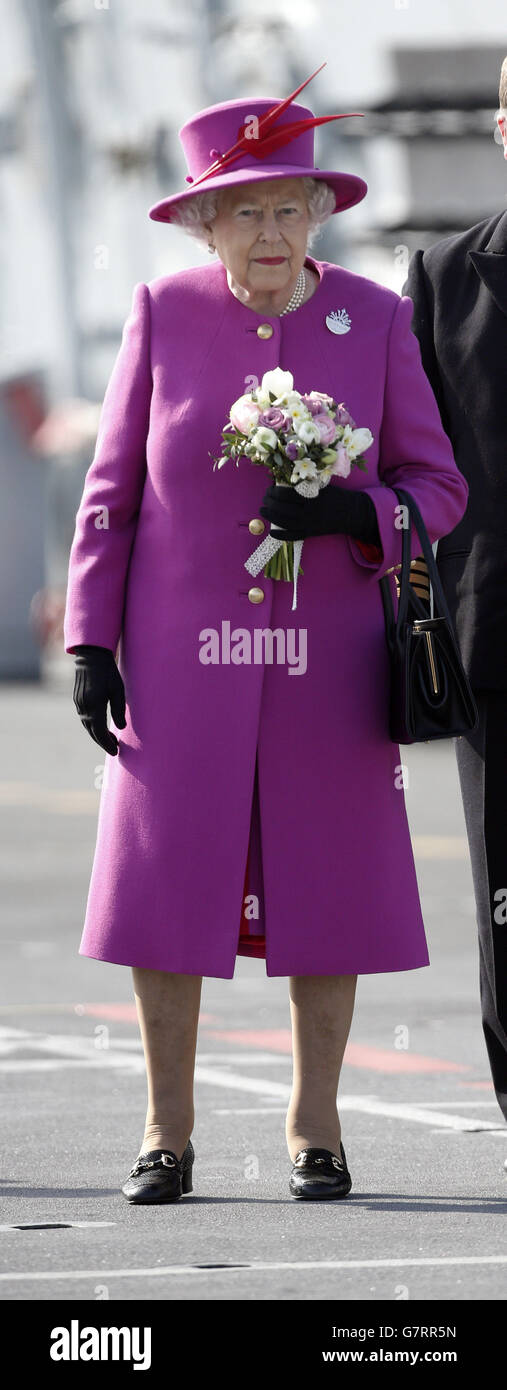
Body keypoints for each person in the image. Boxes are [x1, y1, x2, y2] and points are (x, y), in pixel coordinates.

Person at [63, 68, 468, 1204]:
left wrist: (359, 513)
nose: (273, 230)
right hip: (181, 658)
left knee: (328, 884)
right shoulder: (161, 317)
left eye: (292, 206)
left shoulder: (375, 319)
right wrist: (92, 639)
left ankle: (317, 1124)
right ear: (204, 223)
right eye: (246, 209)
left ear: (321, 217)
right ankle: (166, 1128)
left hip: (326, 661)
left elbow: (438, 485)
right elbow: (110, 498)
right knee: (165, 890)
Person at [402, 55, 507, 1145]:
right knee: (505, 909)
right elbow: (411, 457)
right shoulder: (443, 276)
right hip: (495, 644)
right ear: (502, 124)